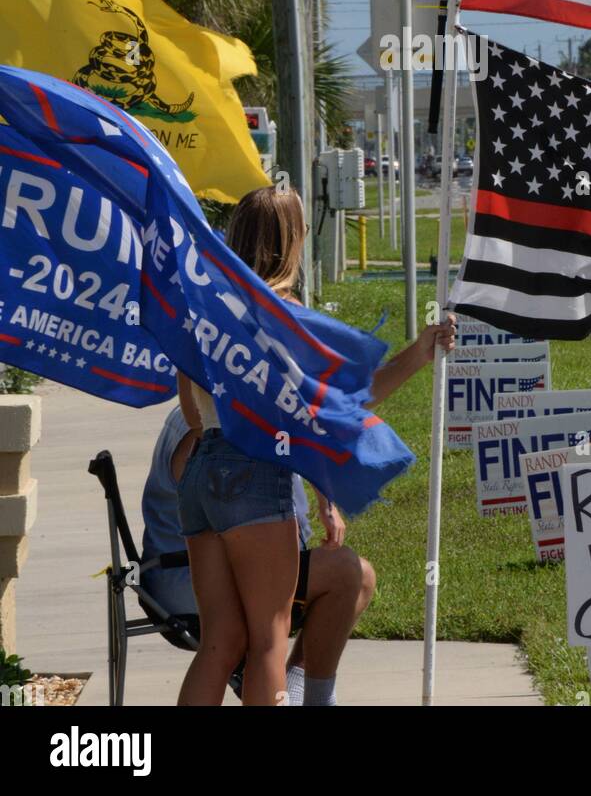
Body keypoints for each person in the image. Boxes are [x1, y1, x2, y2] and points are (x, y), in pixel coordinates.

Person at [174, 184, 455, 708]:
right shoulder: (283, 314)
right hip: (253, 481)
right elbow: (339, 405)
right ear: (292, 240)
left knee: (218, 643)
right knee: (268, 642)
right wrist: (417, 356)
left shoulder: (206, 307)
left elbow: (192, 412)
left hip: (200, 475)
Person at [141, 404, 376, 706]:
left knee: (223, 641)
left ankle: (298, 692)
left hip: (179, 567)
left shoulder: (202, 418)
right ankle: (312, 699)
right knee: (274, 636)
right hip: (186, 576)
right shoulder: (243, 415)